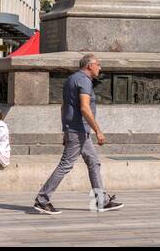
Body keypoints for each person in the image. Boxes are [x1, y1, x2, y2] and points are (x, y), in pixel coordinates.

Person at [33, 53, 122, 214]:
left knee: (94, 162)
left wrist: (65, 128)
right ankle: (42, 199)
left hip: (76, 130)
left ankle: (101, 200)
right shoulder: (85, 81)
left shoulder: (71, 79)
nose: (100, 68)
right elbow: (84, 108)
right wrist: (98, 131)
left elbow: (63, 107)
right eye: (98, 65)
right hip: (78, 130)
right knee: (65, 165)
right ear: (90, 65)